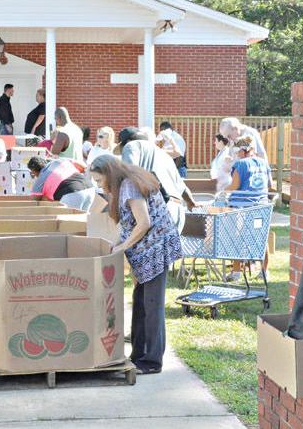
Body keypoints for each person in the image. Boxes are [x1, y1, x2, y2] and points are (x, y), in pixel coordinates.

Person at [90, 155, 181, 374]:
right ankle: (138, 356)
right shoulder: (124, 185)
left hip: (156, 248)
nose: (99, 185)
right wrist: (119, 244)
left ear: (110, 174)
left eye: (100, 180)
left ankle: (151, 361)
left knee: (152, 305)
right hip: (145, 250)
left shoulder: (129, 186)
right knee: (140, 302)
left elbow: (144, 223)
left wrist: (122, 247)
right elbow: (131, 226)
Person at [119, 127, 199, 233]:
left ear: (127, 142)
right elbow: (182, 188)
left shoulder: (131, 146)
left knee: (139, 248)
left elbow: (130, 173)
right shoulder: (164, 154)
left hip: (159, 209)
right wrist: (191, 203)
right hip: (178, 211)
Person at [223, 135, 272, 281]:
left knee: (236, 238)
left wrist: (223, 191)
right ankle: (264, 271)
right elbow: (268, 184)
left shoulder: (241, 164)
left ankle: (236, 272)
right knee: (262, 239)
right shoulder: (264, 163)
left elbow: (235, 186)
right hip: (261, 206)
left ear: (244, 150)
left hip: (242, 207)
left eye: (238, 152)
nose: (237, 155)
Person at [28, 156, 96, 212]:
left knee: (69, 225)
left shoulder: (40, 180)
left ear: (33, 171)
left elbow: (33, 202)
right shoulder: (59, 161)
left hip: (73, 193)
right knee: (84, 223)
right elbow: (83, 167)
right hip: (89, 188)